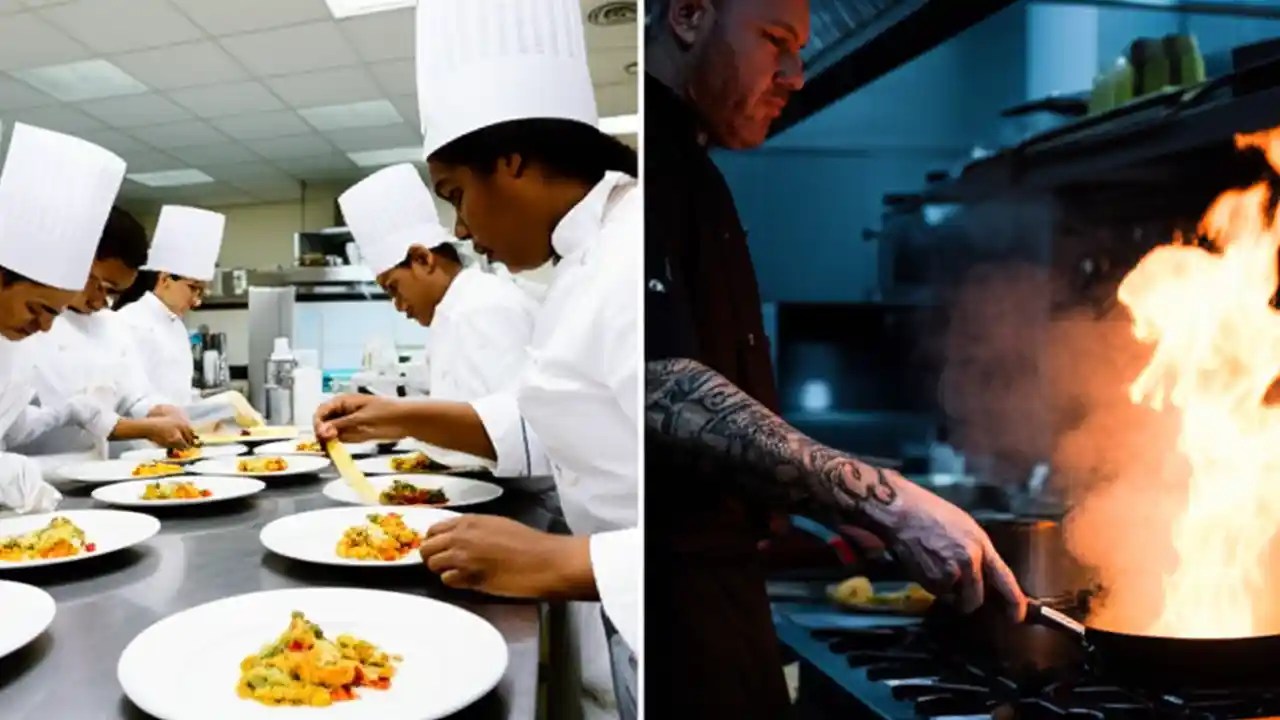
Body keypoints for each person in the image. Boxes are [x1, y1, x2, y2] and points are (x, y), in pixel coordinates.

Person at [644, 0, 1027, 716]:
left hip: (717, 598)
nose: (795, 75)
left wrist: (804, 493)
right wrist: (880, 500)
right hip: (673, 609)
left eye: (799, 50)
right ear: (691, 16)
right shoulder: (649, 166)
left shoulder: (693, 167)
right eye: (774, 42)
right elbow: (657, 384)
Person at [314, 1, 640, 717]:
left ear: (512, 162)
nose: (460, 226)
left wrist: (555, 560)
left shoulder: (630, 259)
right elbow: (555, 423)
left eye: (458, 195)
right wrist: (399, 416)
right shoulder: (577, 264)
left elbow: (714, 521)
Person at [0, 122, 127, 512]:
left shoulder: (14, 342)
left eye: (55, 313)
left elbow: (12, 426)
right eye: (39, 309)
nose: (44, 327)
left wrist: (68, 411)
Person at [338, 163, 535, 402]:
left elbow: (508, 427)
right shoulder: (451, 314)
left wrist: (393, 420)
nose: (398, 306)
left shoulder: (483, 308)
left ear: (422, 259)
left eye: (393, 288)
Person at [13, 206, 196, 458]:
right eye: (102, 287)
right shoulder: (21, 323)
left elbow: (133, 395)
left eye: (114, 294)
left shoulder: (110, 324)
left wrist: (158, 410)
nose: (103, 301)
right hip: (31, 473)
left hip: (93, 471)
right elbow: (17, 423)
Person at [114, 205, 224, 407]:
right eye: (193, 289)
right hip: (140, 438)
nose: (197, 301)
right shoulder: (130, 323)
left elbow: (176, 393)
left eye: (202, 293)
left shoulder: (175, 326)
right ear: (165, 280)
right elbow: (128, 400)